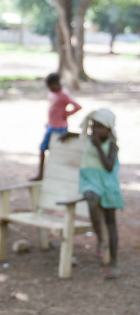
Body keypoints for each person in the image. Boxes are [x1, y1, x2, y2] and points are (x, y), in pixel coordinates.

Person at [78, 109, 123, 279]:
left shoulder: (111, 144)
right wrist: (67, 135)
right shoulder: (90, 139)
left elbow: (109, 166)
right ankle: (100, 239)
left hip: (108, 185)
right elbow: (79, 136)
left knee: (111, 223)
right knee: (91, 198)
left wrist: (98, 147)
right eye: (93, 127)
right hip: (90, 182)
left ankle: (113, 263)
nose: (95, 131)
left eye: (99, 127)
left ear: (109, 129)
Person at [31, 72, 81, 181]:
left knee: (58, 153)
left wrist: (65, 115)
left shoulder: (64, 95)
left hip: (60, 128)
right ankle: (41, 174)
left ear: (56, 83)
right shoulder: (51, 92)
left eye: (51, 86)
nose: (49, 88)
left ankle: (59, 177)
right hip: (51, 125)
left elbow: (77, 106)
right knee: (43, 148)